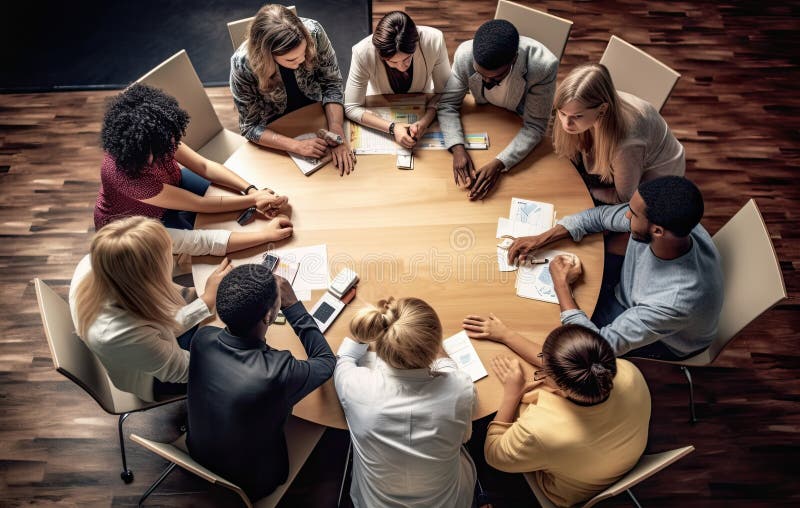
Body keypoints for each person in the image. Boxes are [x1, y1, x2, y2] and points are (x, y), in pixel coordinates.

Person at [508, 176, 724, 360]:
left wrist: (561, 285)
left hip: (666, 340)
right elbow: (599, 216)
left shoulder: (674, 300)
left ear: (657, 231)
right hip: (633, 293)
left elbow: (595, 346)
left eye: (633, 214)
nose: (626, 215)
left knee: (551, 338)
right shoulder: (676, 222)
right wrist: (541, 239)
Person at [460, 318, 650, 507]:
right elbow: (571, 366)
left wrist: (513, 394)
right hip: (618, 459)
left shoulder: (539, 429)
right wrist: (507, 335)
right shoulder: (629, 371)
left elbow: (494, 454)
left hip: (566, 491)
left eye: (544, 371)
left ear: (561, 389)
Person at [186, 264, 335, 501]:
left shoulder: (202, 338)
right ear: (268, 315)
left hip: (196, 452)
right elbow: (327, 362)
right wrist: (294, 307)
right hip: (254, 482)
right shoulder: (278, 372)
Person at [69, 216, 232, 402]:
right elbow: (185, 371)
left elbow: (158, 326)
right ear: (146, 277)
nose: (174, 260)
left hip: (146, 348)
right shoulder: (117, 331)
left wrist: (206, 301)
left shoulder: (103, 260)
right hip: (156, 379)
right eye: (168, 257)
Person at [334, 297, 477, 507]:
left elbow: (345, 358)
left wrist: (375, 325)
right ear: (436, 345)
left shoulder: (356, 387)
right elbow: (465, 437)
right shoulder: (460, 390)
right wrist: (427, 341)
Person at [95, 84, 291, 235]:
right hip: (140, 222)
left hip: (173, 183)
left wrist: (252, 190)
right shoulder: (124, 176)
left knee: (231, 200)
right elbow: (200, 204)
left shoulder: (157, 137)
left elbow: (204, 166)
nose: (171, 146)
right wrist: (253, 200)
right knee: (208, 238)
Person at [437, 19, 558, 201]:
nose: (486, 81)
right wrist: (457, 148)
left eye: (495, 77)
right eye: (480, 73)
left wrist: (499, 163)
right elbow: (447, 104)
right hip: (486, 117)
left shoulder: (543, 67)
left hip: (516, 120)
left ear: (514, 59)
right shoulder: (465, 56)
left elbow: (535, 126)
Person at [231, 4, 355, 175]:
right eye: (291, 60)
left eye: (304, 52)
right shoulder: (242, 64)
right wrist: (296, 146)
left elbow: (332, 84)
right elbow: (249, 126)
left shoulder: (314, 32)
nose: (302, 60)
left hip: (319, 112)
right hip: (277, 130)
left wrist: (336, 130)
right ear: (267, 56)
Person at [553, 63, 685, 204]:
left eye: (577, 116)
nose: (566, 124)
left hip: (655, 177)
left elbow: (624, 197)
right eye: (562, 113)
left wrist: (587, 190)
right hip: (624, 157)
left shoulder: (626, 142)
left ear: (602, 110)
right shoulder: (586, 105)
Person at [344, 11, 450, 148]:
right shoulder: (362, 52)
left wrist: (425, 122)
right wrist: (392, 127)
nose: (401, 67)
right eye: (392, 62)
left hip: (421, 103)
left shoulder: (434, 40)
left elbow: (446, 93)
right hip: (380, 105)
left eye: (407, 59)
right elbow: (350, 107)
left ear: (416, 45)